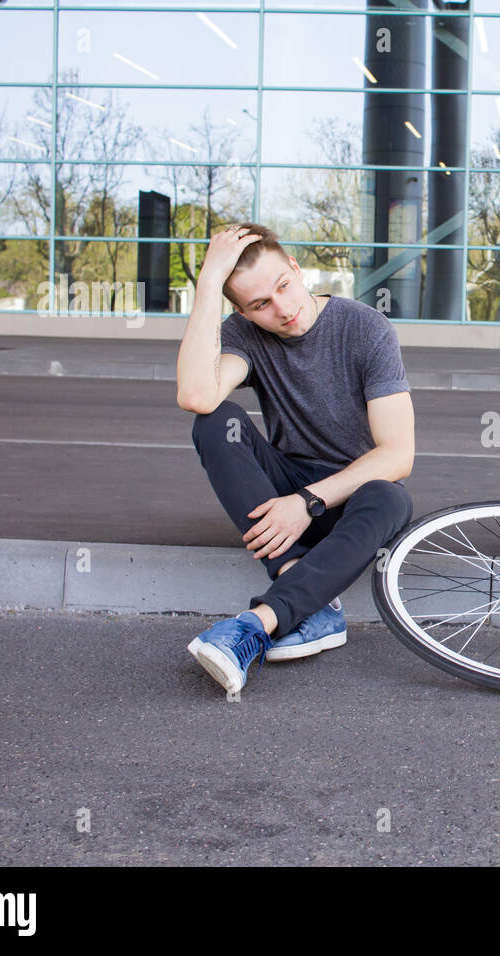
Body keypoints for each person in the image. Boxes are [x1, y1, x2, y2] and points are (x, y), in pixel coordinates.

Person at [175, 223, 415, 695]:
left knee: (391, 499)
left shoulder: (365, 327)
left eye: (283, 287)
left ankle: (259, 623)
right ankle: (309, 599)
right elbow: (197, 395)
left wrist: (305, 502)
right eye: (260, 304)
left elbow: (398, 454)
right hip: (286, 485)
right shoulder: (243, 334)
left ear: (295, 267)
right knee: (214, 421)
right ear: (241, 310)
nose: (283, 309)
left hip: (349, 495)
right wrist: (207, 284)